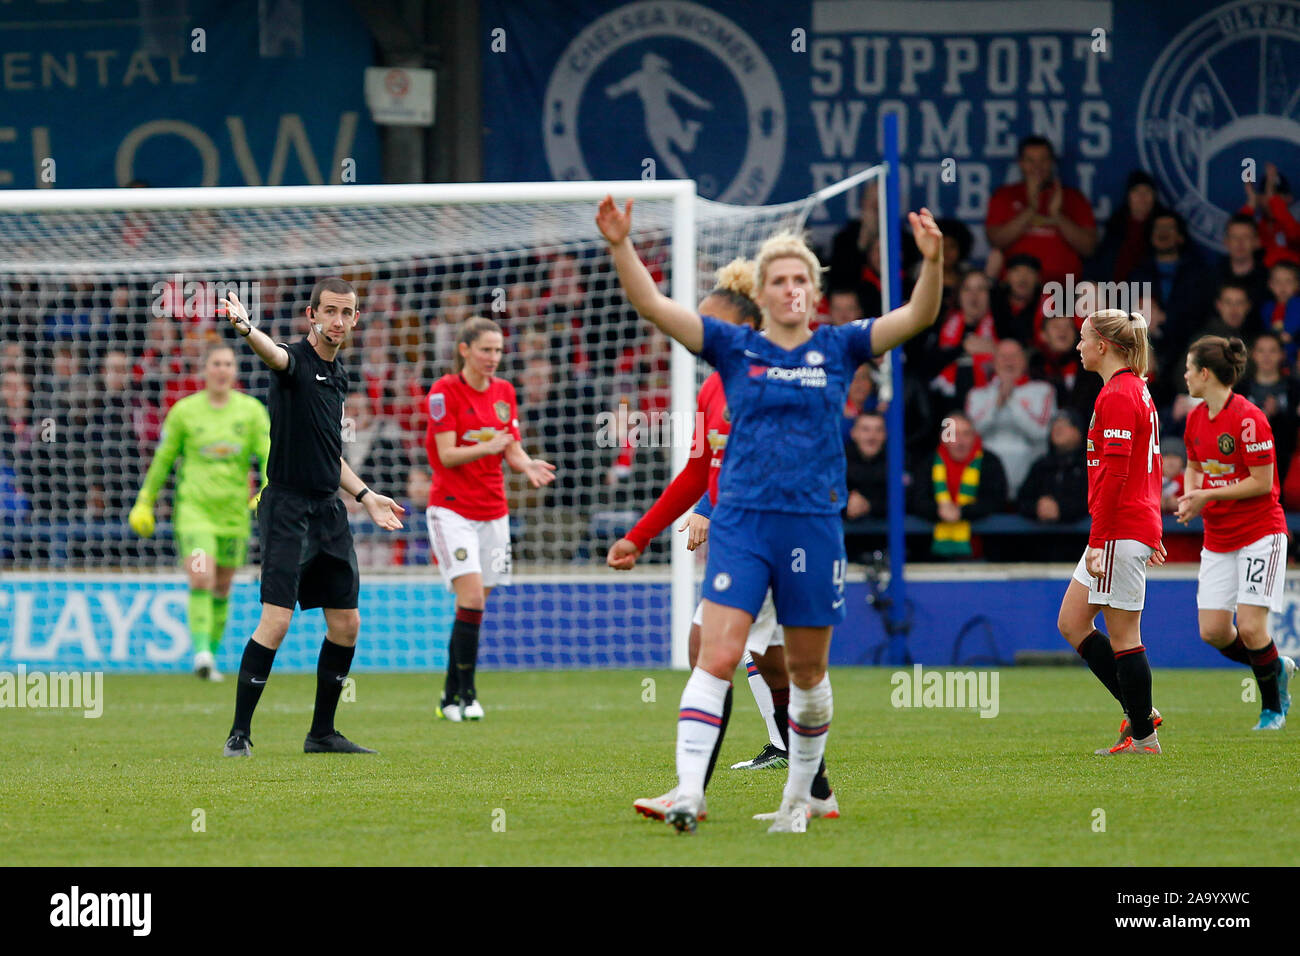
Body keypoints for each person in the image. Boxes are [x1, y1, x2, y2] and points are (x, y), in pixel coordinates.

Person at [597, 194, 945, 833]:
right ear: (763, 290)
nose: (790, 289)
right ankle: (687, 792)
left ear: (814, 291)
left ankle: (802, 798)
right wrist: (621, 246)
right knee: (716, 654)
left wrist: (933, 259)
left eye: (800, 279)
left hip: (812, 527)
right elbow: (652, 305)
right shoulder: (733, 349)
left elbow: (918, 315)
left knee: (807, 672)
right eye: (779, 279)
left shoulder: (840, 347)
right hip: (743, 526)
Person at [606, 260, 838, 822]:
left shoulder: (758, 379)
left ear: (745, 327)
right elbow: (697, 468)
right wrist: (638, 536)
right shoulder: (714, 385)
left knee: (716, 654)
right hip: (743, 537)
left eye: (711, 323)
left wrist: (710, 510)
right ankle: (817, 791)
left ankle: (694, 790)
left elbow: (752, 466)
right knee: (772, 665)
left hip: (770, 536)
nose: (701, 334)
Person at [218, 280, 407, 757]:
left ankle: (322, 733)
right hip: (287, 508)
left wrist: (365, 495)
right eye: (330, 311)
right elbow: (272, 354)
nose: (338, 320)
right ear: (312, 314)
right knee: (276, 622)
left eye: (347, 312)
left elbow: (329, 453)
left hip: (329, 510)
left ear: (356, 318)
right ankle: (239, 733)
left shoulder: (338, 374)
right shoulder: (295, 361)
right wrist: (246, 329)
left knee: (346, 624)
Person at [425, 317, 556, 721]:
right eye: (485, 350)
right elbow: (446, 455)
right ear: (465, 349)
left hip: (493, 512)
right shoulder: (443, 392)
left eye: (498, 351)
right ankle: (468, 695)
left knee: (475, 607)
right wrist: (492, 447)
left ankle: (450, 697)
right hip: (451, 509)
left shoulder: (504, 393)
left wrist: (526, 464)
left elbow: (510, 447)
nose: (493, 358)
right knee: (471, 597)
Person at [1055, 309, 1167, 756]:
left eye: (1083, 338)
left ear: (1103, 345)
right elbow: (1147, 469)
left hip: (1118, 530)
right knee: (1072, 622)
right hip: (1126, 525)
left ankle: (1144, 736)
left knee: (1124, 636)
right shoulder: (1134, 391)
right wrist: (1150, 523)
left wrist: (1102, 541)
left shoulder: (1119, 395)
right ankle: (1141, 716)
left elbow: (1117, 474)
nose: (1078, 346)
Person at [128, 343, 271, 680]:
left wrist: (267, 489)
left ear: (235, 371)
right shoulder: (184, 412)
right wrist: (145, 500)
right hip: (194, 512)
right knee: (201, 575)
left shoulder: (250, 412)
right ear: (205, 370)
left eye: (228, 364)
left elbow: (268, 456)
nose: (222, 370)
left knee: (222, 586)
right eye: (216, 363)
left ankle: (210, 657)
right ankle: (201, 653)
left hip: (234, 515)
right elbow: (163, 459)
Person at [1177, 336, 1294, 730]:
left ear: (1205, 374)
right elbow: (1194, 463)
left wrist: (1207, 494)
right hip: (1219, 536)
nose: (1186, 376)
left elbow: (1264, 482)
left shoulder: (1248, 418)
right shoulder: (1195, 417)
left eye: (1190, 368)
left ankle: (1272, 708)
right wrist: (1192, 493)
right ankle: (1275, 664)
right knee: (1212, 631)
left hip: (1260, 532)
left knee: (1249, 626)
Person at [985, 135, 1097, 286]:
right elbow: (996, 241)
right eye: (1030, 161)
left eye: (1043, 160)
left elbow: (1088, 248)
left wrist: (1057, 215)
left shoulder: (1072, 197)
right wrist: (1031, 208)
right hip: (1017, 291)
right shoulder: (1005, 195)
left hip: (1063, 291)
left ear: (1052, 162)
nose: (1037, 166)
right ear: (1021, 163)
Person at [909, 411, 1009, 559]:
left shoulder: (990, 462)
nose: (960, 441)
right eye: (953, 434)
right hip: (934, 556)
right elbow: (916, 500)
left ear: (974, 436)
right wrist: (939, 510)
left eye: (966, 434)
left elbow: (997, 500)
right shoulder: (928, 463)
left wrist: (961, 512)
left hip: (982, 552)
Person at [965, 339, 1056, 498]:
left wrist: (1011, 398)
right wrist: (997, 401)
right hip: (987, 481)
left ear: (1025, 362)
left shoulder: (1043, 391)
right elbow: (970, 435)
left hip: (1029, 481)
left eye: (1014, 355)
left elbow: (1041, 432)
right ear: (994, 362)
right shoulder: (977, 395)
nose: (1009, 361)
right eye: (1003, 356)